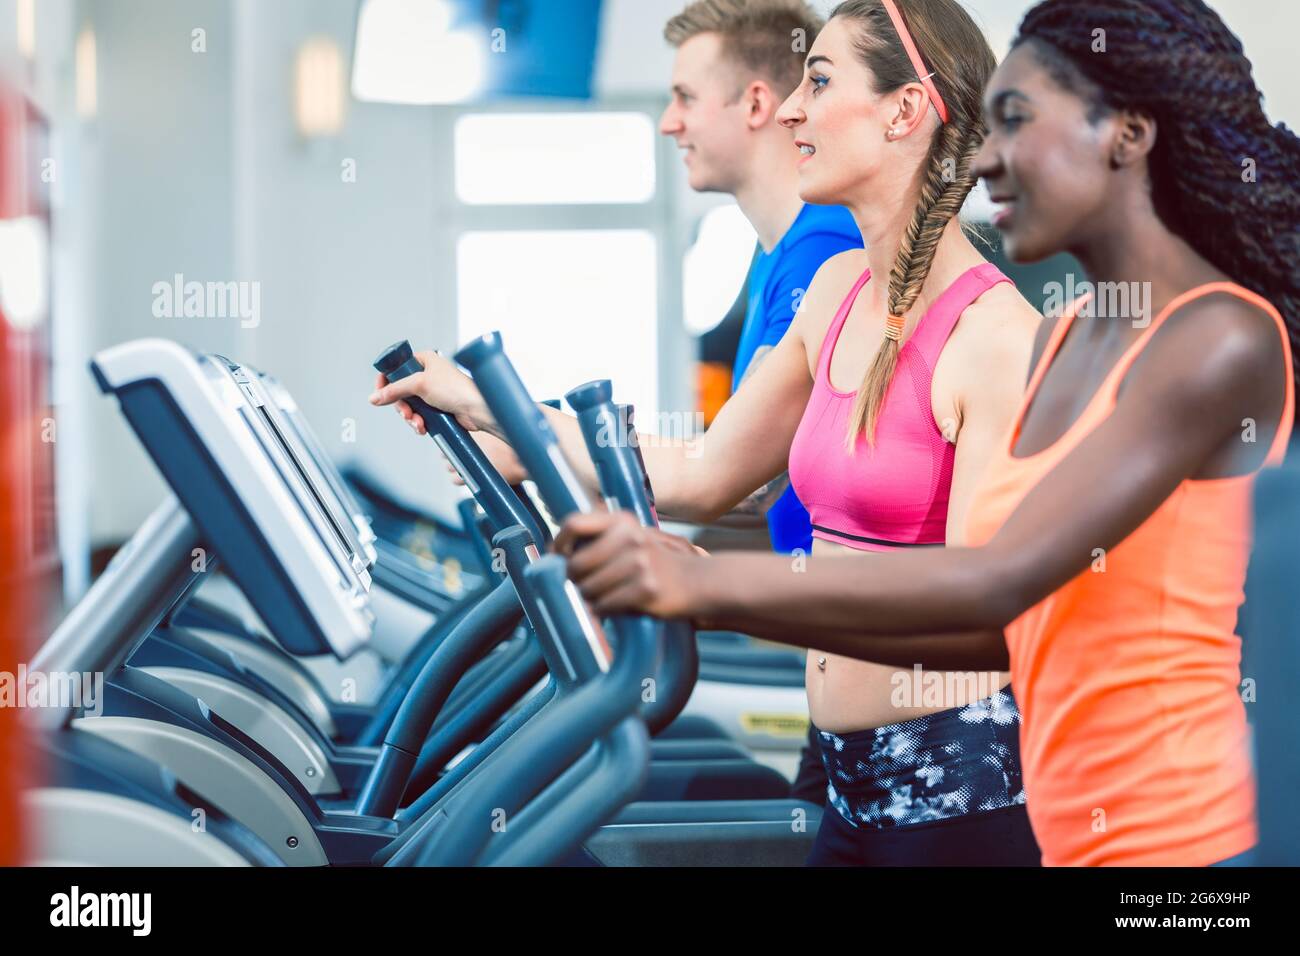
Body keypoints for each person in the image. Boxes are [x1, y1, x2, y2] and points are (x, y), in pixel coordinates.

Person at [553, 0, 1300, 867]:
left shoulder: (1218, 340)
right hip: (1057, 832)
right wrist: (699, 585)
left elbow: (994, 588)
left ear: (1127, 135)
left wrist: (708, 586)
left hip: (1178, 859)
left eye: (1014, 123)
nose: (982, 158)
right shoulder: (1068, 337)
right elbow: (992, 622)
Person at [371, 0, 1046, 865]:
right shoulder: (837, 291)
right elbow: (700, 470)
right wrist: (487, 407)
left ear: (905, 111)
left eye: (822, 81)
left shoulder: (995, 338)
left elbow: (987, 621)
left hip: (955, 801)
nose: (793, 108)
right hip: (842, 782)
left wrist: (719, 587)